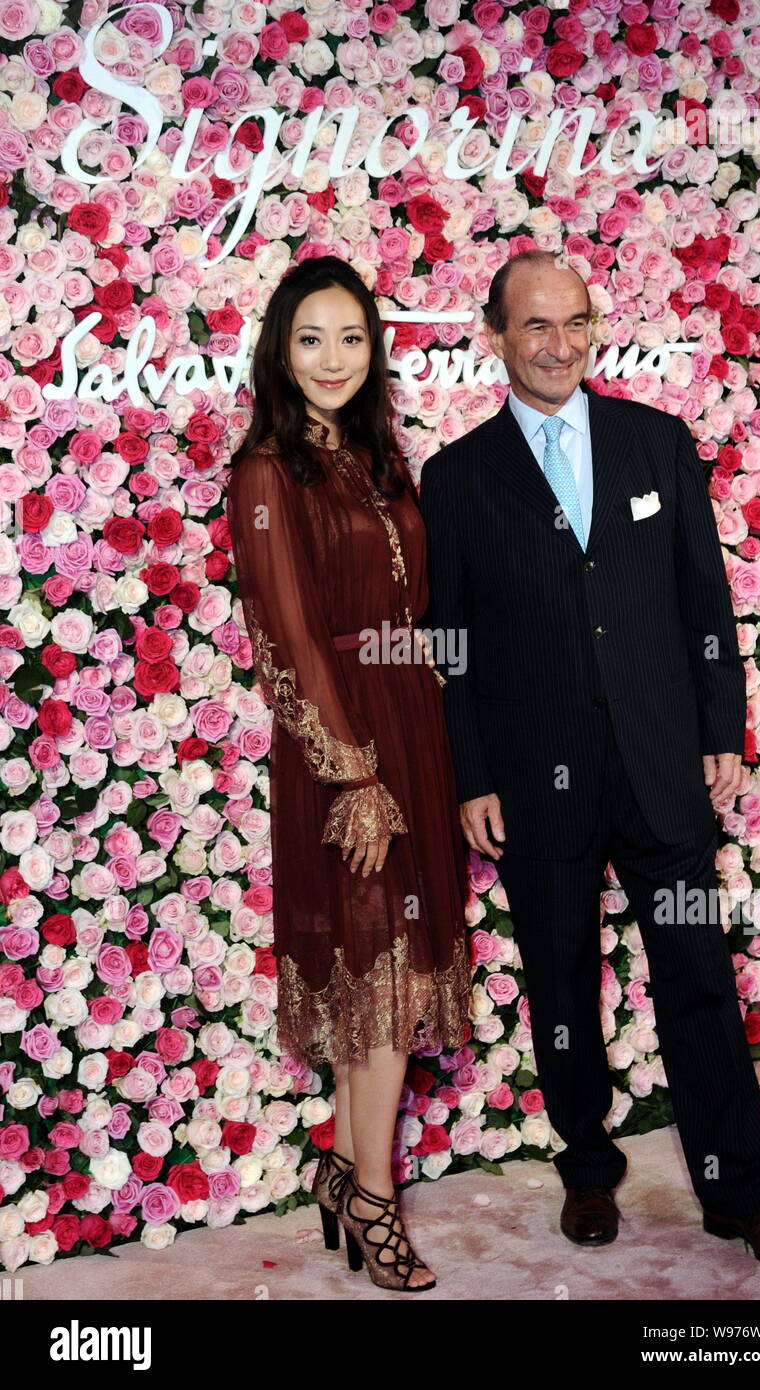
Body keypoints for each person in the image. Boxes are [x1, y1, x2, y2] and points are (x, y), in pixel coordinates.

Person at [418, 250, 760, 1269]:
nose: (558, 345)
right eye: (535, 327)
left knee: (694, 973)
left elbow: (704, 599)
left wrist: (719, 730)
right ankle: (588, 1170)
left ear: (592, 327)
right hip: (534, 783)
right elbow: (449, 643)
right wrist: (471, 773)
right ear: (497, 338)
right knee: (559, 983)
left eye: (574, 323)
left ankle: (739, 1194)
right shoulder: (458, 477)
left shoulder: (655, 443)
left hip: (660, 778)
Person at [225, 255, 472, 1292]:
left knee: (403, 972)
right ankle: (370, 1195)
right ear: (282, 352)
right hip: (345, 749)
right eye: (312, 338)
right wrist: (353, 772)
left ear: (374, 352)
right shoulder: (266, 474)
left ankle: (350, 1174)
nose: (333, 359)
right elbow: (283, 634)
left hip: (411, 723)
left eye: (353, 338)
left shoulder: (379, 460)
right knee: (368, 966)